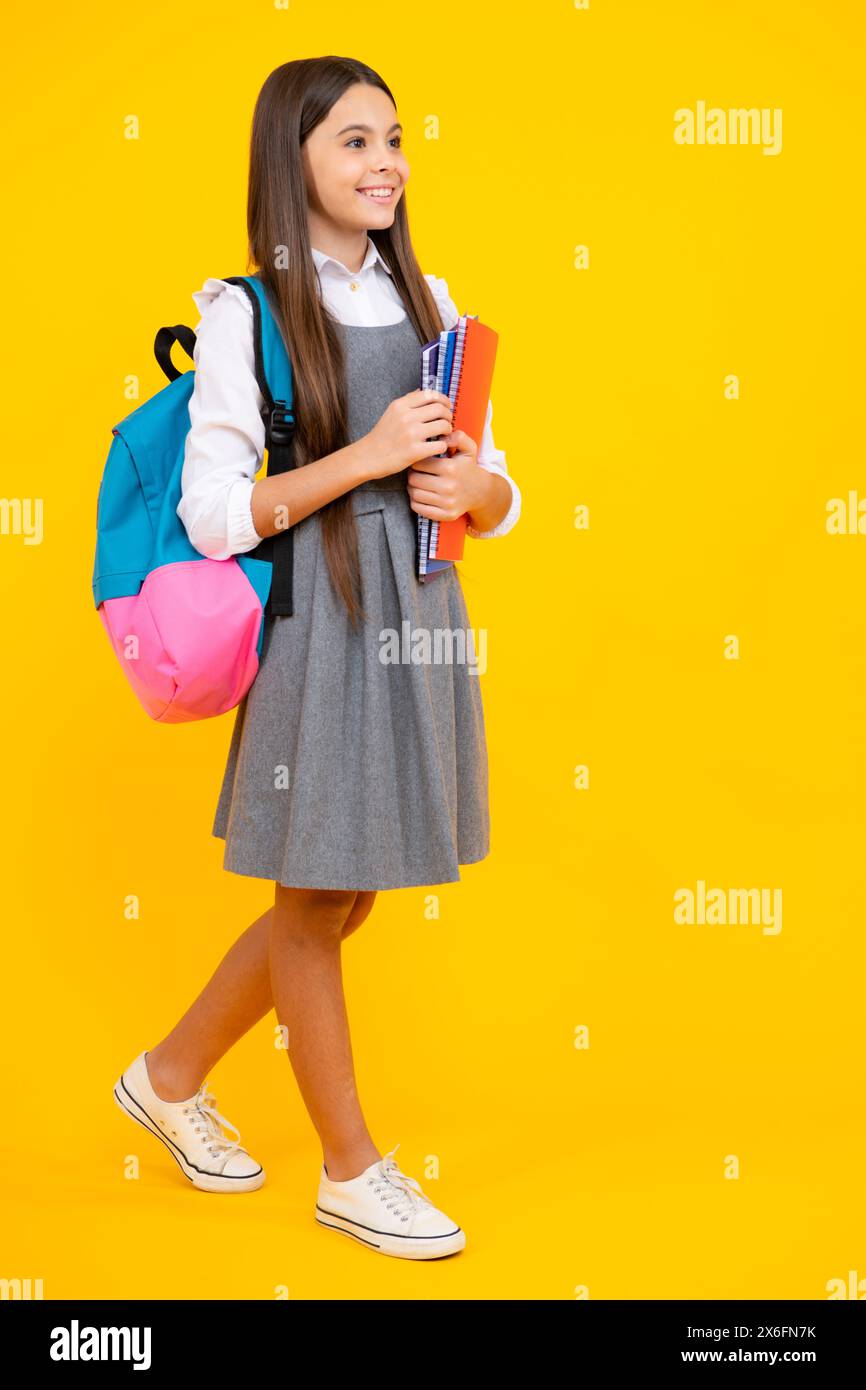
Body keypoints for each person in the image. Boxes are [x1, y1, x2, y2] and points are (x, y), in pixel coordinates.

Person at [114, 55, 521, 1261]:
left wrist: (475, 488)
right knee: (310, 892)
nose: (384, 160)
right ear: (289, 161)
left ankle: (170, 1072)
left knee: (349, 892)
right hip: (318, 622)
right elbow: (213, 515)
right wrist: (370, 455)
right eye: (352, 141)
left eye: (393, 138)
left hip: (417, 615)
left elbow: (504, 488)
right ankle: (353, 1169)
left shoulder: (433, 294)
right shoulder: (246, 310)